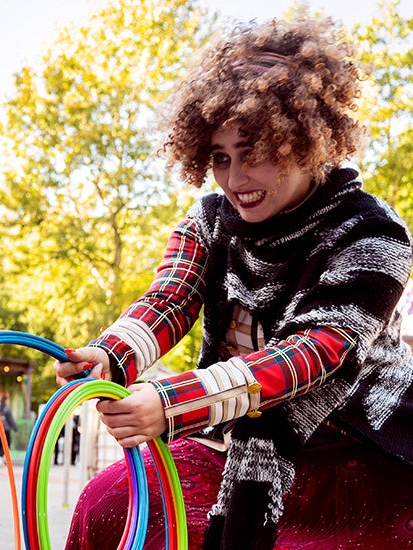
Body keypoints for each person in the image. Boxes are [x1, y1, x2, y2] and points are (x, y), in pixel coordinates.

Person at [55, 16, 413, 550]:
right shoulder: (208, 219)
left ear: (308, 143)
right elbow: (169, 298)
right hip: (231, 438)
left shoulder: (374, 234)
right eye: (220, 157)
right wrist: (109, 356)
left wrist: (172, 403)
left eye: (255, 154)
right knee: (108, 504)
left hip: (355, 452)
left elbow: (313, 353)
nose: (235, 180)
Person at [0, 390, 18, 465]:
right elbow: (10, 419)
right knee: (6, 443)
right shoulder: (6, 408)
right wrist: (15, 429)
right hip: (5, 428)